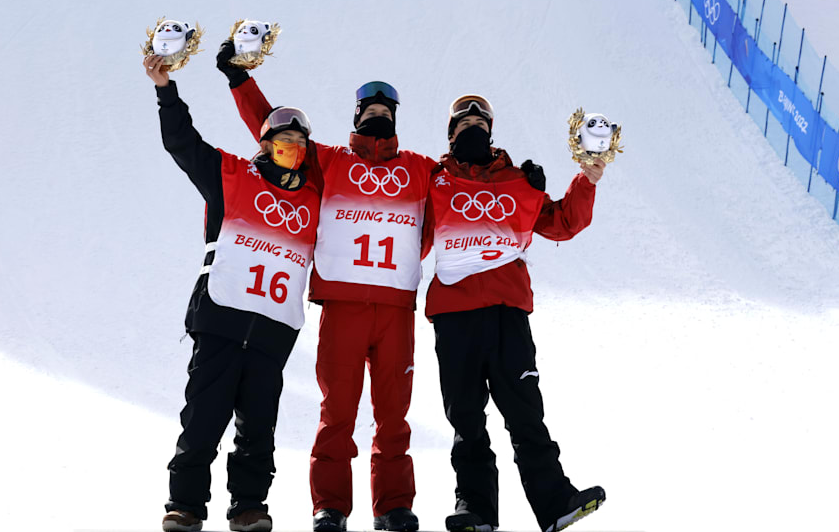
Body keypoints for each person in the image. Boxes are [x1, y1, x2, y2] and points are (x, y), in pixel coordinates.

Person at [215, 40, 436, 532]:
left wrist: (517, 175)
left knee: (394, 415)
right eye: (370, 112)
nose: (377, 117)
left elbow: (465, 185)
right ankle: (330, 507)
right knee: (337, 412)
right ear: (356, 117)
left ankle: (393, 506)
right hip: (342, 306)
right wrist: (239, 79)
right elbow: (274, 132)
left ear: (395, 121)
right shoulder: (331, 161)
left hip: (395, 309)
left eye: (385, 113)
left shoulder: (421, 169)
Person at [143, 54, 321, 532]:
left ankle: (248, 506)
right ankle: (185, 505)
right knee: (203, 417)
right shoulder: (232, 176)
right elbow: (183, 143)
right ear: (264, 145)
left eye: (299, 145)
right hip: (222, 317)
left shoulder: (314, 200)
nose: (292, 150)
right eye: (283, 143)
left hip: (273, 330)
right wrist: (165, 90)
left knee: (258, 428)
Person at [422, 94, 607, 532]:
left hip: (507, 312)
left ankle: (556, 502)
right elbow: (404, 230)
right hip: (455, 314)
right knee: (466, 418)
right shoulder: (434, 181)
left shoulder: (517, 181)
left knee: (524, 412)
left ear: (491, 133)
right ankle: (475, 509)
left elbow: (562, 223)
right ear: (450, 135)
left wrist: (587, 178)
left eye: (480, 124)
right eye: (463, 124)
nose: (472, 128)